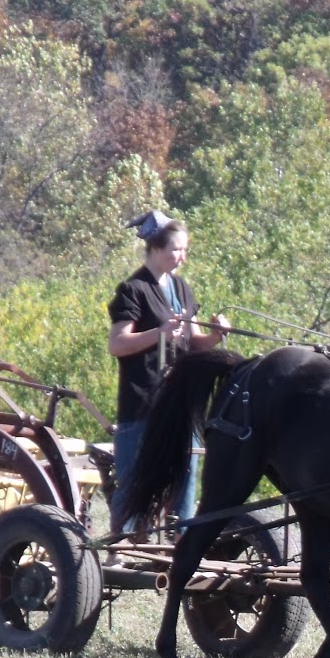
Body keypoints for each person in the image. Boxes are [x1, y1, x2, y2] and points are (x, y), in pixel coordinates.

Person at [107, 210, 229, 535]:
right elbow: (117, 344)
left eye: (185, 250)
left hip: (180, 398)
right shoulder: (133, 289)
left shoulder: (182, 289)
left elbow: (190, 343)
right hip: (143, 399)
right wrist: (158, 334)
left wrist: (215, 336)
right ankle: (122, 547)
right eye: (176, 249)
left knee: (186, 469)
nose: (182, 257)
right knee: (134, 476)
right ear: (156, 249)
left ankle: (181, 537)